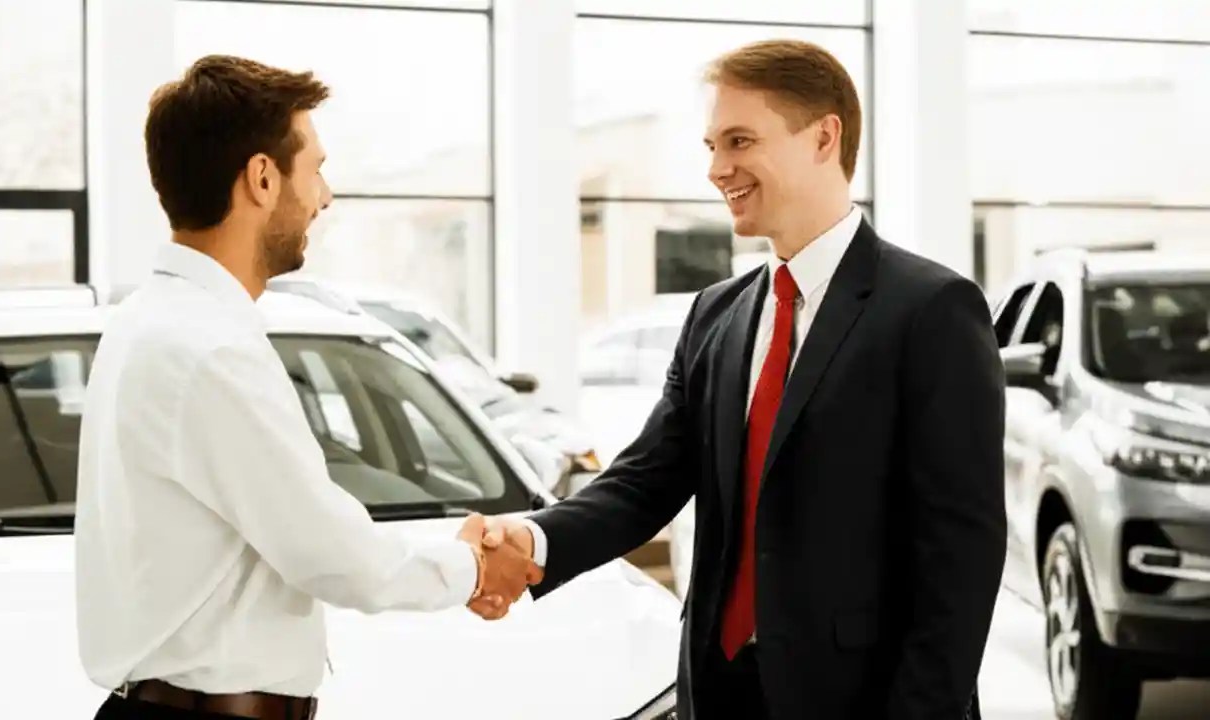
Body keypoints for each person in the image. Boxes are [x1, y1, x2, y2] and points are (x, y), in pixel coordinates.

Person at [483, 39, 1006, 719]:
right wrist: (532, 540)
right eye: (709, 146)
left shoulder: (932, 310)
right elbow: (646, 481)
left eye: (738, 141)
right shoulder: (717, 314)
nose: (716, 169)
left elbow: (960, 558)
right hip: (721, 689)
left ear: (824, 137)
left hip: (864, 701)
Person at [75, 55, 538, 720]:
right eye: (315, 167)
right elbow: (329, 552)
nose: (324, 195)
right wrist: (472, 568)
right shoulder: (211, 349)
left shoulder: (147, 322)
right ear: (263, 178)